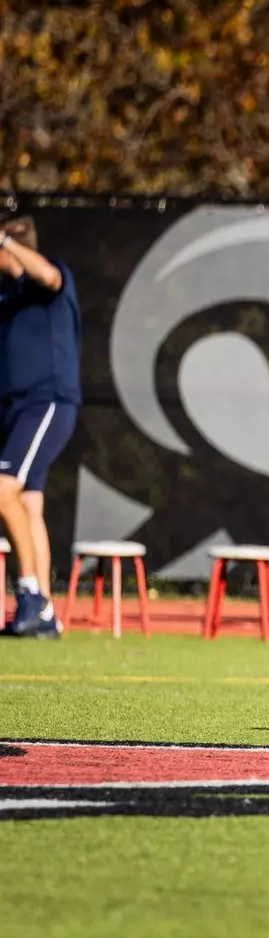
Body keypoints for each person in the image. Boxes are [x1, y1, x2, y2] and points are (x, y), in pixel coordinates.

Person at [0, 216, 80, 639]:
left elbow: (46, 274)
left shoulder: (50, 277)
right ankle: (43, 613)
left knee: (2, 489)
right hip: (15, 411)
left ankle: (30, 593)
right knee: (28, 505)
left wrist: (5, 242)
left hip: (45, 404)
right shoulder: (8, 297)